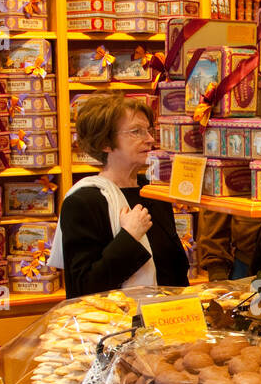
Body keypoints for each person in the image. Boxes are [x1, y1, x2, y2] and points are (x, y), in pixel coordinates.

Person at [48, 93, 189, 297]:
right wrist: (129, 237)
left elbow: (175, 271)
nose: (150, 139)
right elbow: (83, 289)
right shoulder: (83, 202)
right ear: (105, 142)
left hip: (169, 312)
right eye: (136, 132)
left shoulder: (155, 192)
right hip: (116, 317)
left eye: (149, 130)